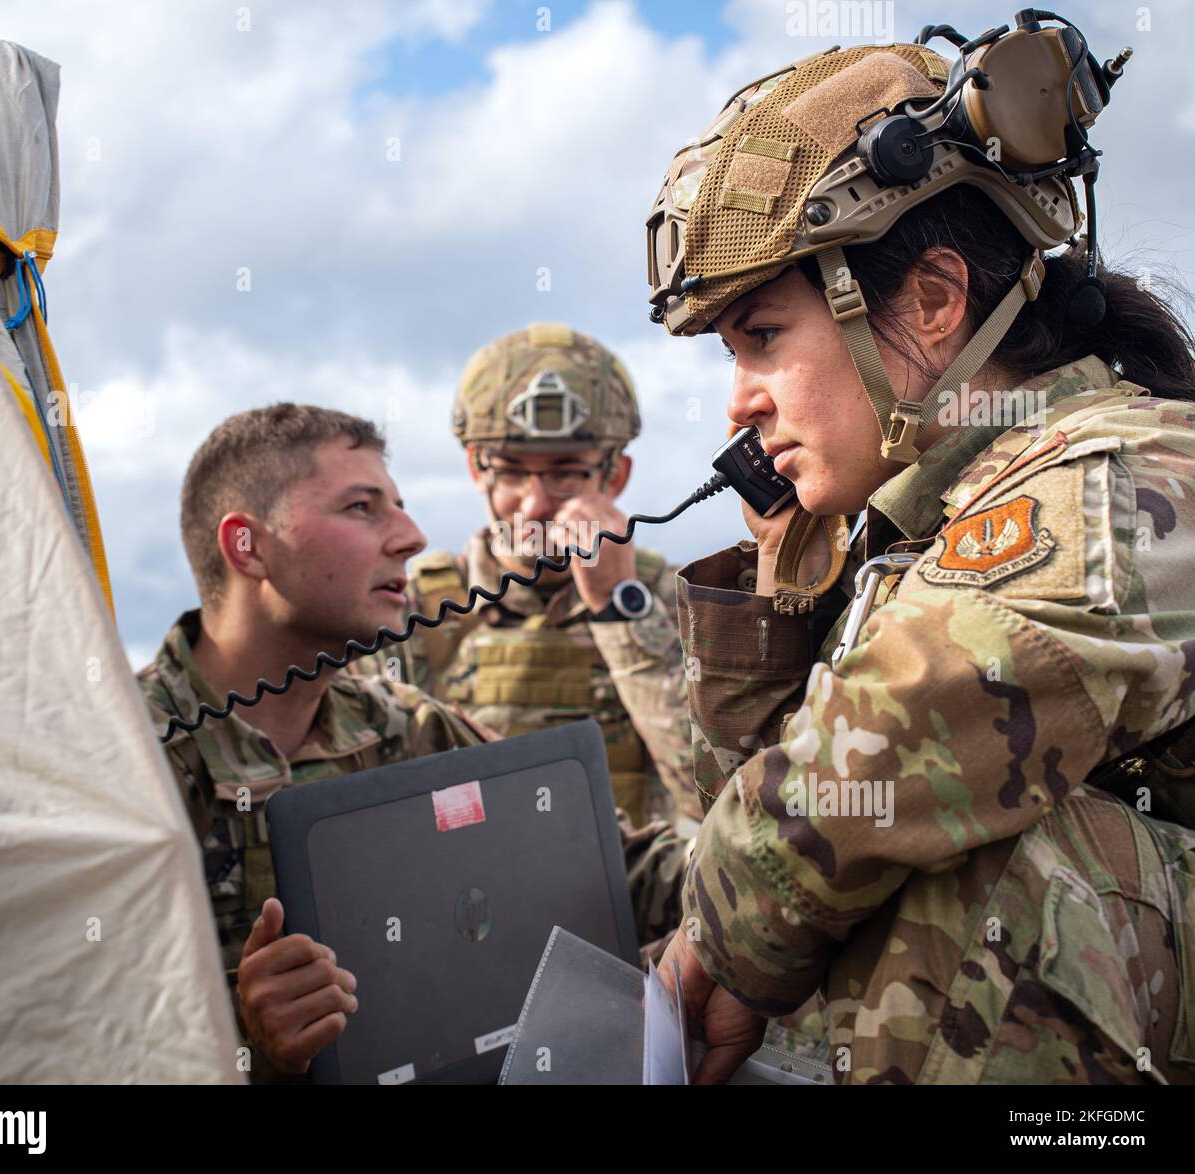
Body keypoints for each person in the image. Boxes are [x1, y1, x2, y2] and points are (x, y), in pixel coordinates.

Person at [645, 31, 1195, 1084]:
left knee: (971, 869)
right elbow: (770, 803)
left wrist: (712, 943)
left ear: (933, 303)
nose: (738, 401)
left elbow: (900, 734)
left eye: (762, 336)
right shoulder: (928, 526)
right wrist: (781, 587)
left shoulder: (1132, 468)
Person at [139, 404, 687, 1081]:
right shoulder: (121, 762)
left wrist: (774, 881)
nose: (411, 536)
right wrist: (244, 1037)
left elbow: (611, 863)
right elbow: (54, 1033)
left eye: (397, 505)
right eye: (363, 508)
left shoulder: (406, 728)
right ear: (247, 546)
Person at [370, 322, 701, 833]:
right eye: (511, 470)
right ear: (477, 469)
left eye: (565, 472)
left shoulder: (676, 601)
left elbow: (717, 798)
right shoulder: (421, 607)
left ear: (614, 476)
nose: (535, 503)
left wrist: (619, 606)